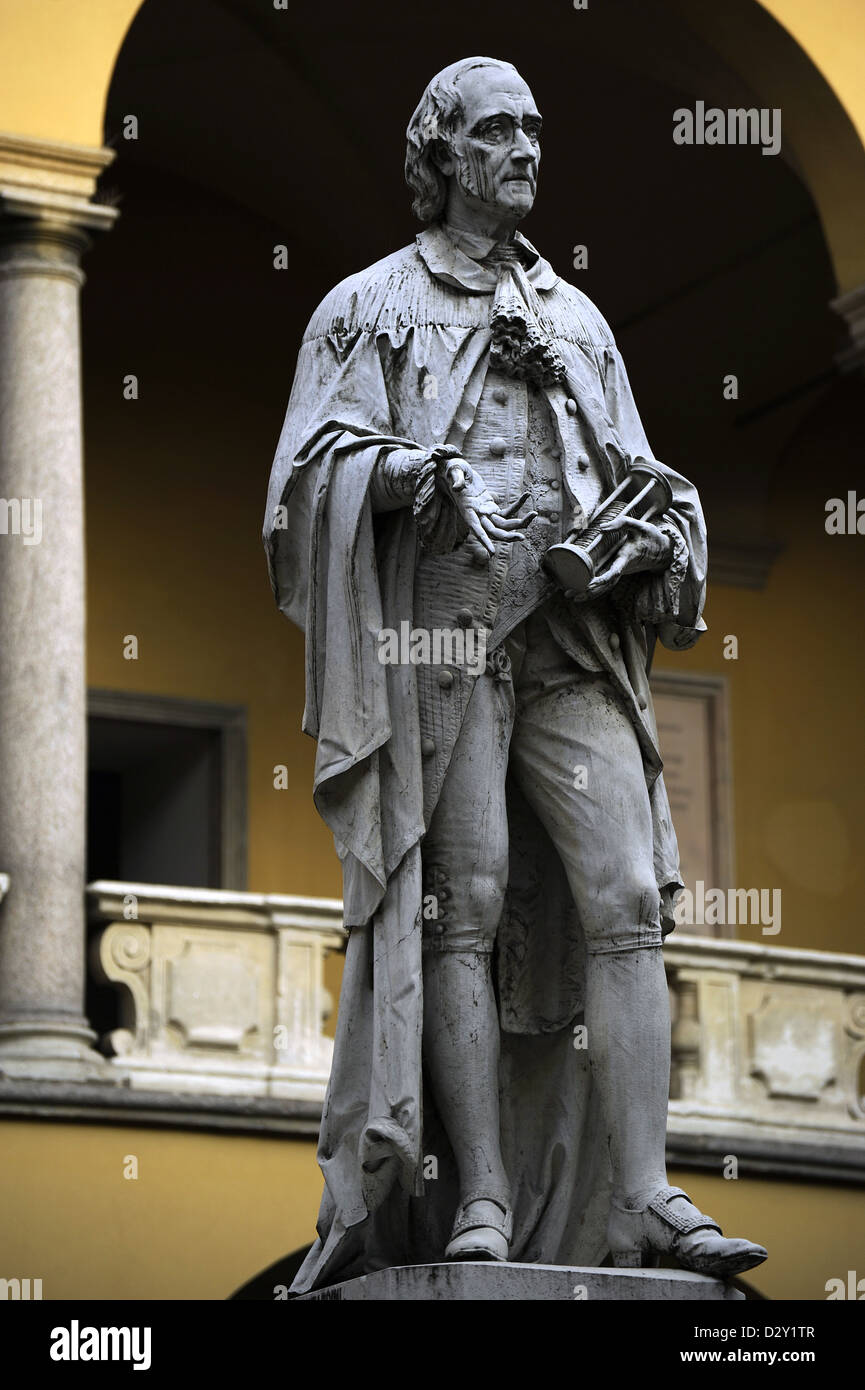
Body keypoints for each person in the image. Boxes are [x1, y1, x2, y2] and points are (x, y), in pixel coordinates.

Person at [264, 55, 766, 1293]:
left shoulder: (578, 320)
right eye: (497, 132)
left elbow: (642, 474)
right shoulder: (370, 306)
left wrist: (652, 530)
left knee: (629, 893)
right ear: (440, 156)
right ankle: (479, 1189)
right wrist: (416, 475)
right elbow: (305, 477)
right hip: (444, 637)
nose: (526, 149)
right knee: (462, 906)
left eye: (535, 129)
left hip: (572, 634)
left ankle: (643, 1188)